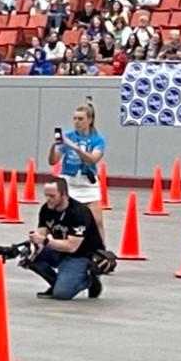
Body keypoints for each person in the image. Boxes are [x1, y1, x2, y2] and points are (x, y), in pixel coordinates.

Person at [24, 177, 106, 300]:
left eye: (52, 196)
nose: (48, 200)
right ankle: (57, 283)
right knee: (29, 255)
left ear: (64, 195)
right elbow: (41, 234)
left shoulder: (79, 213)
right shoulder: (47, 209)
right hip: (61, 250)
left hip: (82, 255)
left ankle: (89, 280)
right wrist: (31, 248)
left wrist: (45, 241)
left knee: (62, 294)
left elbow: (72, 247)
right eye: (46, 195)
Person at [51, 101, 107, 232]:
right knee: (64, 218)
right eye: (75, 118)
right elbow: (54, 161)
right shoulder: (68, 136)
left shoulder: (98, 139)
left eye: (80, 119)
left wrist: (74, 147)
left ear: (90, 120)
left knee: (97, 221)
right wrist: (54, 146)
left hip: (87, 182)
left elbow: (92, 159)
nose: (77, 122)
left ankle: (100, 250)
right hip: (68, 181)